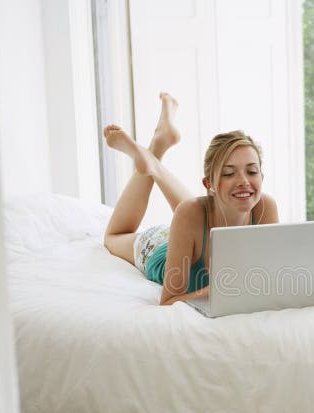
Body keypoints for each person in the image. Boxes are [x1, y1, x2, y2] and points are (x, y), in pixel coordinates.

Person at [102, 93, 279, 305]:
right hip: (161, 248)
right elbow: (168, 301)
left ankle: (158, 148)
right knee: (113, 236)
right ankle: (154, 157)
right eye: (229, 173)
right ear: (208, 185)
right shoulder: (188, 214)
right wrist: (220, 290)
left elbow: (271, 274)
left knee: (199, 209)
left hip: (196, 230)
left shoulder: (265, 207)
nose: (244, 181)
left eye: (252, 171)